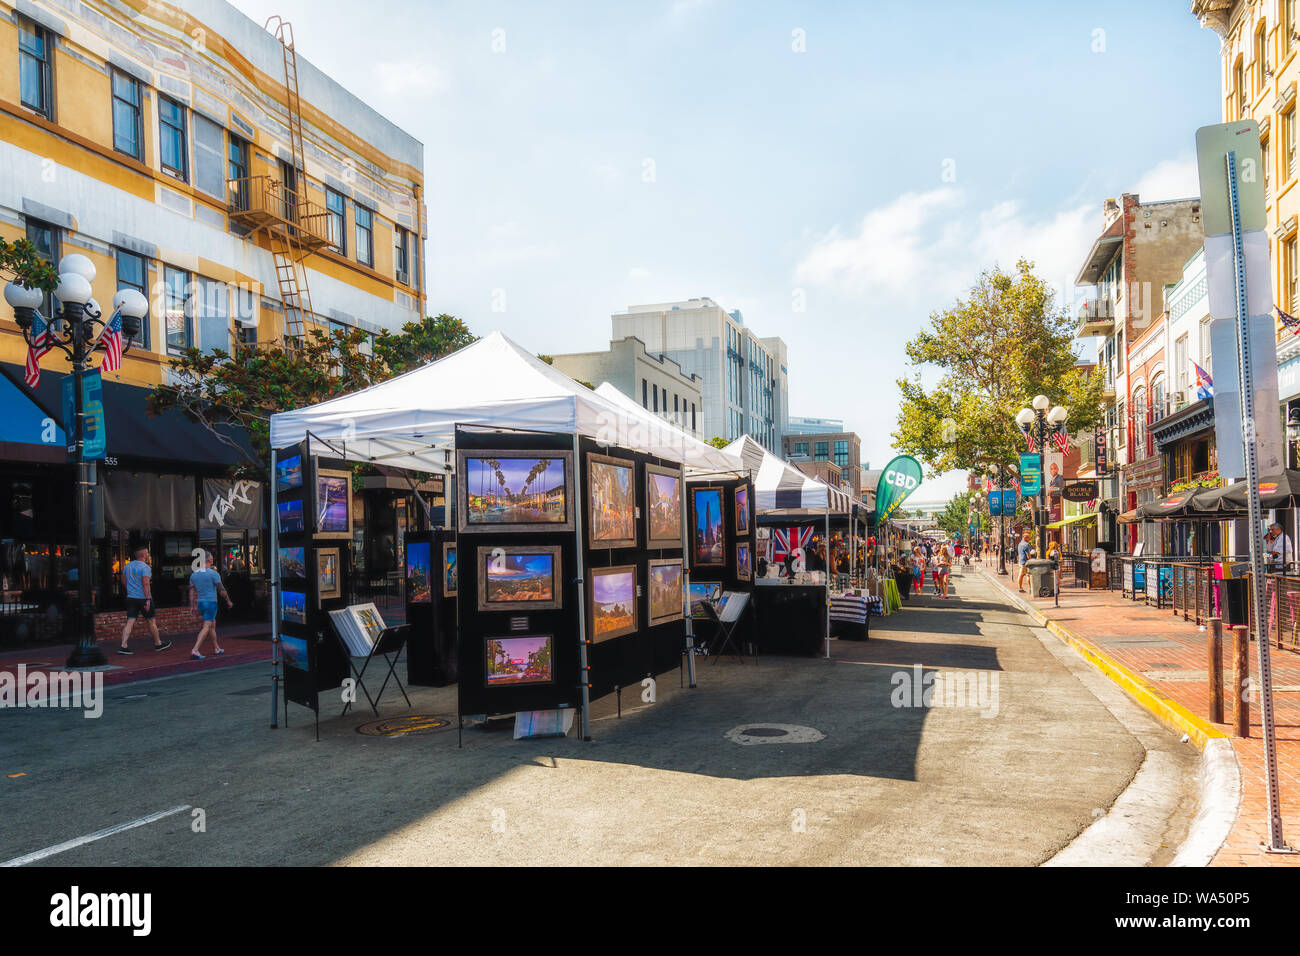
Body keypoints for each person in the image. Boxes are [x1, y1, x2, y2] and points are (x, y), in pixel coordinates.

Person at [119, 546, 172, 654]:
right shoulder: (145, 567)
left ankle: (123, 646)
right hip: (143, 598)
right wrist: (148, 599)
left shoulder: (127, 566)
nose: (148, 555)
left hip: (131, 597)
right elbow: (146, 584)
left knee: (130, 621)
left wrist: (130, 590)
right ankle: (158, 644)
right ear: (143, 555)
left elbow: (123, 581)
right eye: (147, 553)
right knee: (151, 621)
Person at [189, 552, 234, 660]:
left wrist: (192, 606)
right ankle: (195, 650)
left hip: (201, 603)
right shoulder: (214, 574)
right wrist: (228, 600)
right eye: (212, 558)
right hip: (211, 603)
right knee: (207, 626)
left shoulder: (194, 575)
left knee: (212, 625)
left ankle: (216, 648)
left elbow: (191, 592)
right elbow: (222, 590)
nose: (213, 560)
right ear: (209, 560)